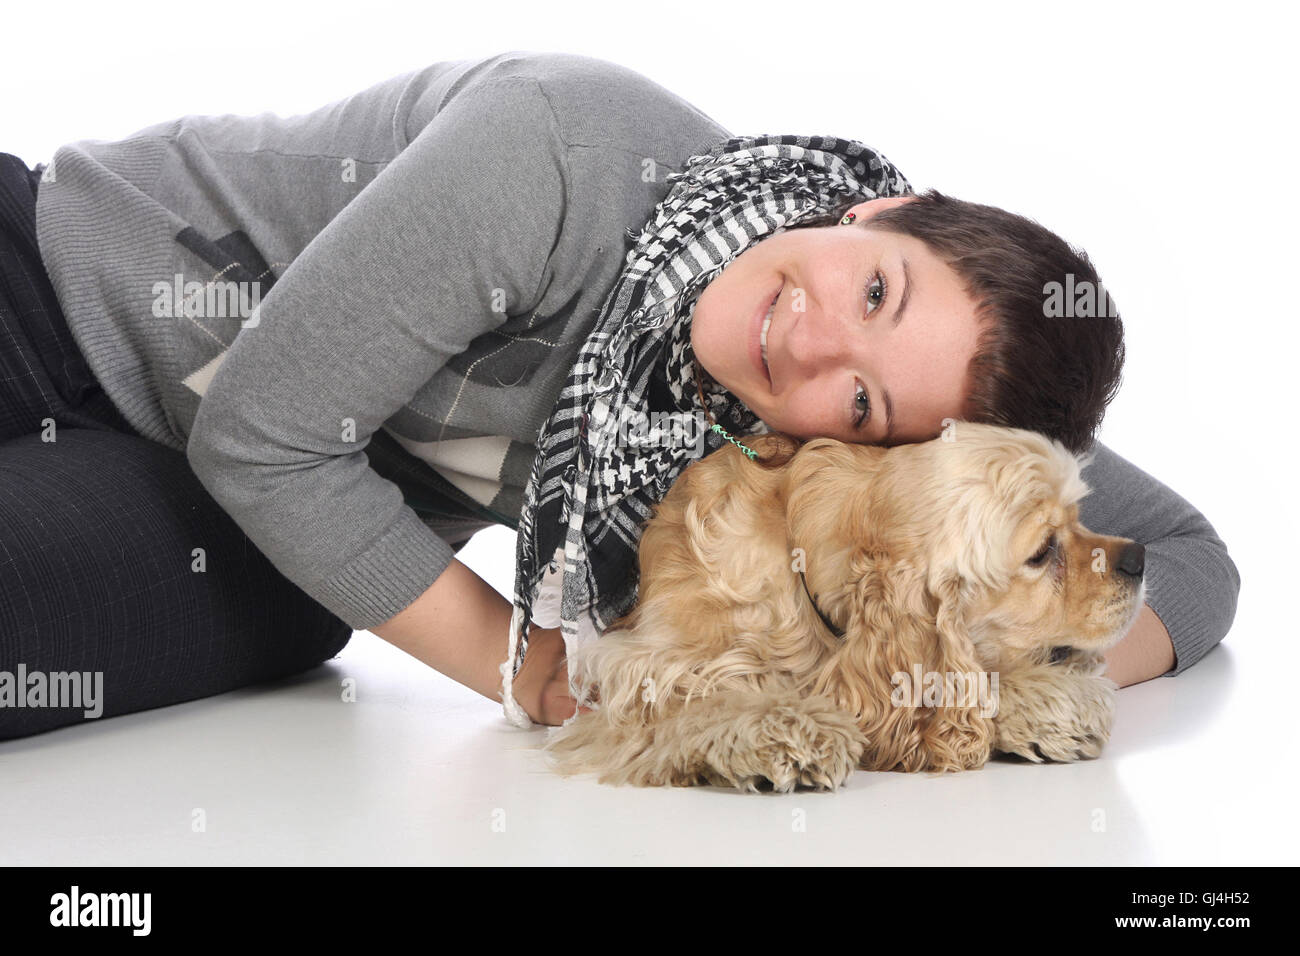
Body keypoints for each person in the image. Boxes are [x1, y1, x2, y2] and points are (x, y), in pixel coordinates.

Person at [0, 50, 1239, 740]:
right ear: (886, 210)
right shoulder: (567, 152)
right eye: (872, 290)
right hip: (52, 295)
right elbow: (270, 429)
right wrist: (521, 661)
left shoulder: (852, 423)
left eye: (863, 404)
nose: (808, 346)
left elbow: (1185, 560)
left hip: (271, 534)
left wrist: (999, 682)